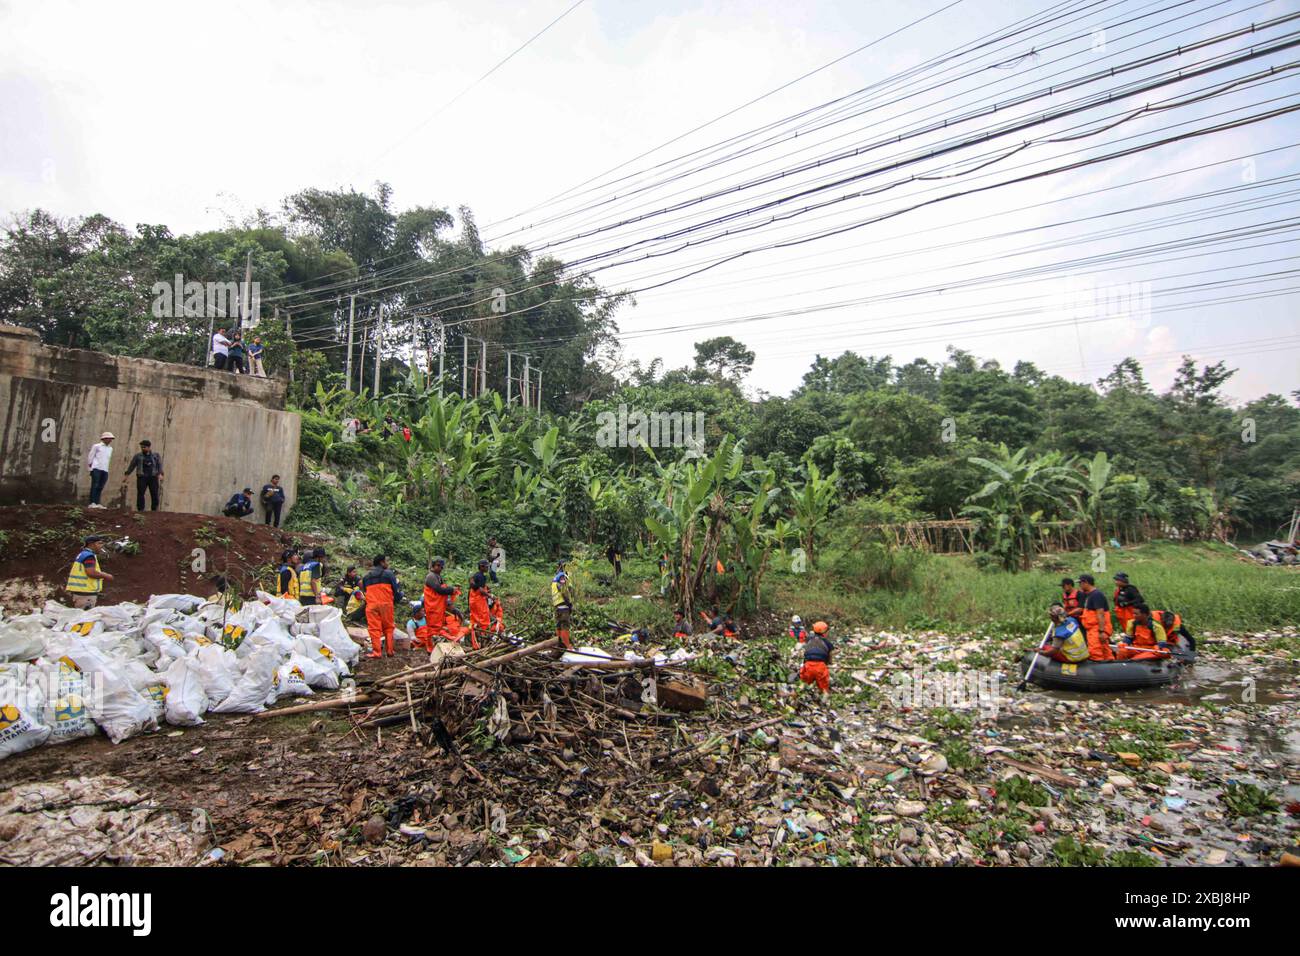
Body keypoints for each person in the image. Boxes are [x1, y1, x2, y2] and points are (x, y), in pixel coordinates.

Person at [361, 555, 404, 659]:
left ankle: (377, 652)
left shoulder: (366, 577)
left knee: (374, 629)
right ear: (381, 562)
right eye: (386, 561)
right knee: (388, 627)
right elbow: (395, 590)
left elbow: (365, 591)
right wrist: (398, 597)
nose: (387, 563)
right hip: (386, 604)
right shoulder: (388, 574)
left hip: (371, 605)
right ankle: (389, 651)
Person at [421, 557, 458, 651]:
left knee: (437, 628)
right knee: (433, 628)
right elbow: (439, 590)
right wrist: (450, 590)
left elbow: (441, 590)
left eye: (441, 566)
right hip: (433, 607)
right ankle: (430, 648)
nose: (440, 568)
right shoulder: (431, 576)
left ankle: (435, 647)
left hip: (438, 607)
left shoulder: (437, 576)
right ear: (433, 565)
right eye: (438, 565)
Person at [65, 535, 113, 609]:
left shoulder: (83, 554)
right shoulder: (89, 556)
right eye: (99, 543)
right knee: (85, 618)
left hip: (81, 592)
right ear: (91, 544)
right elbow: (91, 573)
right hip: (85, 593)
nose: (101, 546)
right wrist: (106, 575)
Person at [1076, 574, 1115, 661]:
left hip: (1097, 629)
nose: (1079, 585)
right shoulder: (1089, 595)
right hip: (1092, 629)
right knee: (1104, 649)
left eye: (1080, 583)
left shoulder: (1096, 595)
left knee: (1094, 651)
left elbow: (1100, 614)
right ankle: (1109, 664)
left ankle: (1098, 667)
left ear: (1086, 582)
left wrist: (1101, 631)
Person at [124, 439, 163, 511]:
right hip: (142, 477)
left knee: (154, 493)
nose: (143, 448)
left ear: (149, 447)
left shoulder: (155, 456)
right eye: (142, 447)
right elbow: (132, 465)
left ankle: (154, 509)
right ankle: (141, 509)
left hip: (153, 477)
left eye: (144, 447)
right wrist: (127, 474)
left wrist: (160, 474)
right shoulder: (138, 456)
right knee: (141, 493)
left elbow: (159, 465)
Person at [800, 621, 833, 693]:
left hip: (808, 665)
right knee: (824, 688)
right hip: (820, 666)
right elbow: (830, 658)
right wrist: (829, 663)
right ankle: (824, 700)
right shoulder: (827, 643)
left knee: (804, 682)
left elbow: (805, 652)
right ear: (824, 632)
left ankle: (795, 694)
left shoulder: (809, 640)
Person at [467, 559, 492, 649]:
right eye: (486, 566)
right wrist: (489, 595)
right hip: (478, 601)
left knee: (474, 619)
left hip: (473, 600)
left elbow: (474, 585)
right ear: (482, 566)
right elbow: (481, 591)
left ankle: (475, 641)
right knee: (483, 619)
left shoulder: (476, 576)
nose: (487, 568)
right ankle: (482, 638)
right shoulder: (481, 576)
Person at [86, 431, 114, 508]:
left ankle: (97, 502)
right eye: (109, 438)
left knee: (100, 486)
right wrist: (90, 468)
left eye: (111, 439)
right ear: (104, 439)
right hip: (96, 468)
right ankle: (92, 502)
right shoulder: (96, 446)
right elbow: (90, 457)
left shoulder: (110, 448)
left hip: (105, 469)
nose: (110, 440)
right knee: (95, 485)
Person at [551, 569, 574, 651]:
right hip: (563, 607)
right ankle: (566, 646)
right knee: (565, 626)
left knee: (559, 626)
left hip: (557, 607)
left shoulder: (554, 580)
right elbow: (563, 591)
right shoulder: (561, 576)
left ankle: (559, 645)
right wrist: (569, 604)